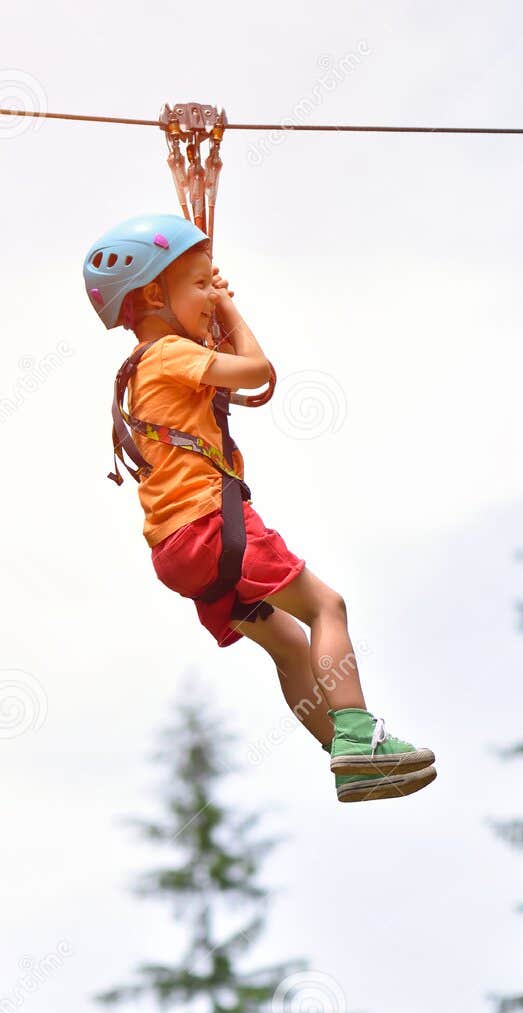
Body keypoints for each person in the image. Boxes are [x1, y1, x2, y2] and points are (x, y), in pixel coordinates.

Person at [83, 212, 437, 803]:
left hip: (178, 549)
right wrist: (229, 310)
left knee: (290, 645)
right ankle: (358, 738)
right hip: (212, 525)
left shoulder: (146, 368)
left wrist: (206, 307)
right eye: (196, 283)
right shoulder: (168, 353)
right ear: (151, 295)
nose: (209, 292)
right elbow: (258, 372)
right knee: (327, 606)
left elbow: (225, 385)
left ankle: (347, 757)